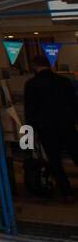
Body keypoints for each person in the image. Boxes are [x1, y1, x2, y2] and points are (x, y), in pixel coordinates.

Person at [24, 56, 78, 203]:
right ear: (49, 65)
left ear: (34, 67)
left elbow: (30, 112)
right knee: (76, 155)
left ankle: (68, 193)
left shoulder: (31, 84)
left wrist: (29, 136)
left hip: (46, 129)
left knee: (55, 162)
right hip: (67, 126)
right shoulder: (64, 81)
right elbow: (74, 104)